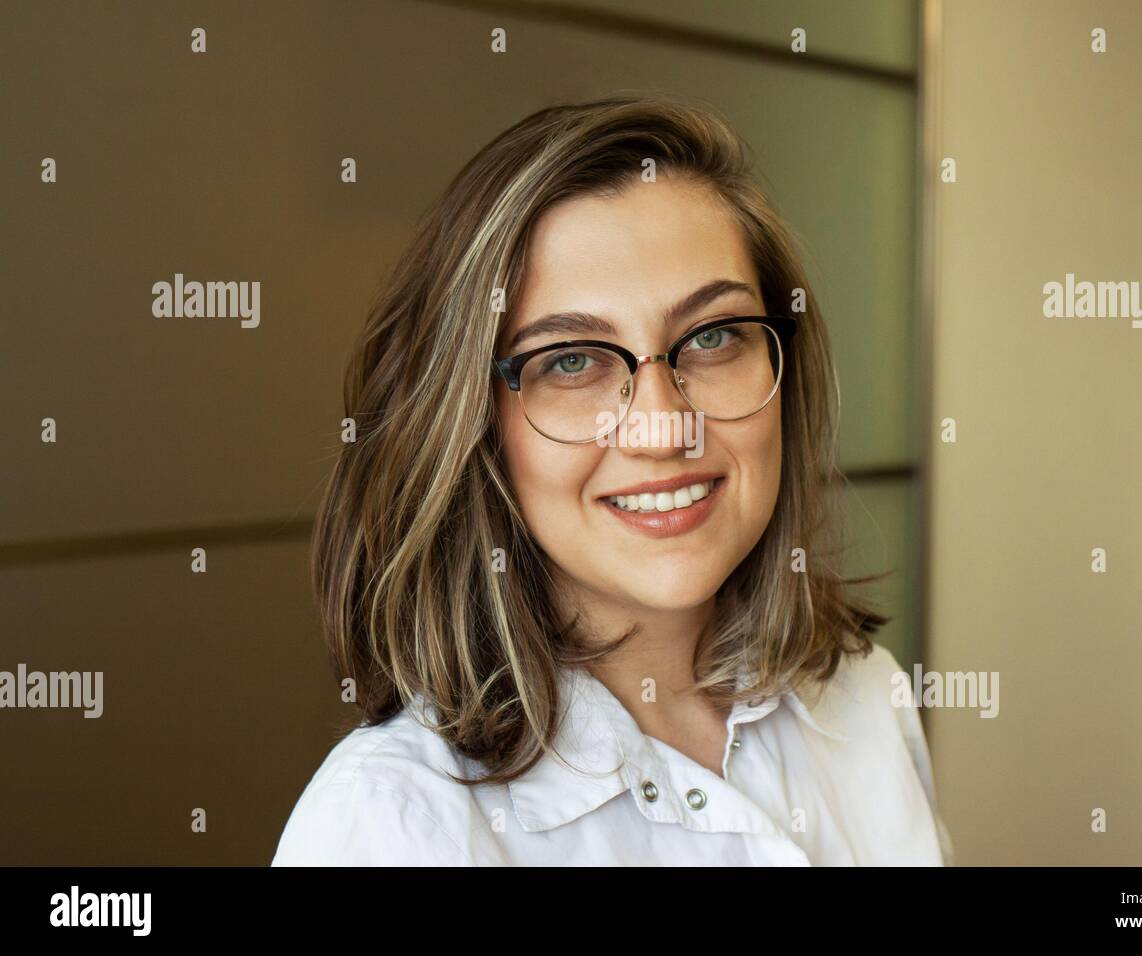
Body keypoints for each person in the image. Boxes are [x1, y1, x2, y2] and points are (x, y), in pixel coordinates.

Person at [272, 93, 953, 866]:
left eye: (713, 336)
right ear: (473, 425)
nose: (662, 428)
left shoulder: (864, 696)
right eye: (571, 361)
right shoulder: (389, 826)